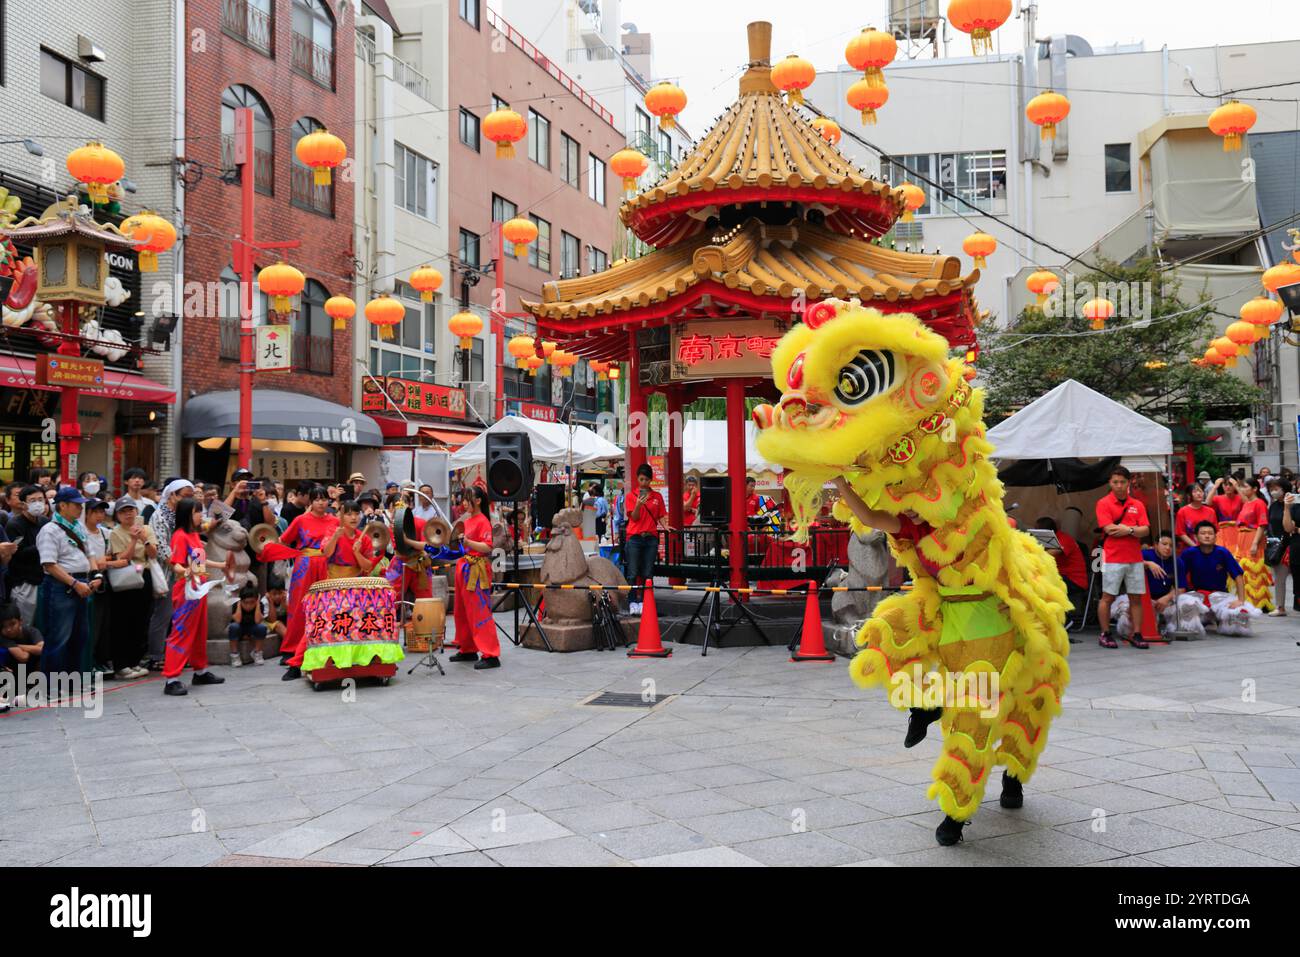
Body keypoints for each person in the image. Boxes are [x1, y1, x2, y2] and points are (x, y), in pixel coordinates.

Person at [161, 497, 228, 696]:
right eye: (197, 512)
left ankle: (200, 671)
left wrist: (222, 566)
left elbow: (200, 563)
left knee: (200, 631)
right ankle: (171, 678)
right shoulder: (180, 536)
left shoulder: (194, 536)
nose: (201, 515)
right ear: (188, 514)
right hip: (186, 591)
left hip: (199, 588)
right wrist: (186, 571)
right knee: (181, 633)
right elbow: (176, 564)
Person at [36, 487, 102, 675]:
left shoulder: (78, 527)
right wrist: (74, 583)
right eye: (76, 505)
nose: (80, 509)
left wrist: (96, 575)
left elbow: (89, 554)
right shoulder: (49, 530)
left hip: (83, 582)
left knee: (80, 636)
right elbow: (49, 564)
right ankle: (50, 685)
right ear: (62, 506)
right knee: (58, 637)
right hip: (61, 586)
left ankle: (73, 680)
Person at [279, 487, 340, 681]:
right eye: (317, 499)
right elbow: (284, 540)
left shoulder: (335, 521)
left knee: (326, 607)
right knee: (299, 607)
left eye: (324, 500)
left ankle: (323, 644)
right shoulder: (300, 520)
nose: (321, 503)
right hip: (304, 565)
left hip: (327, 565)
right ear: (310, 502)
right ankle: (290, 649)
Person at [1094, 466, 1150, 650]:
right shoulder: (1103, 503)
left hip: (1134, 558)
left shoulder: (1138, 504)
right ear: (1110, 483)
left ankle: (1137, 633)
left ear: (1128, 483)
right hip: (1112, 557)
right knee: (1107, 597)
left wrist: (1128, 530)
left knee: (1136, 598)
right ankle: (1105, 633)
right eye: (1115, 482)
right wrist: (1133, 530)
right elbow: (1109, 529)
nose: (1119, 486)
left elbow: (1146, 530)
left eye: (1122, 482)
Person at [449, 486, 500, 670]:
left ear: (478, 501)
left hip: (476, 570)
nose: (463, 503)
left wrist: (468, 542)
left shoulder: (483, 521)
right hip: (464, 568)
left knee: (479, 611)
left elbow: (487, 547)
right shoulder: (467, 521)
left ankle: (491, 654)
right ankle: (468, 648)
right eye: (462, 499)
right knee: (461, 610)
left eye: (466, 499)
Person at [146, 479, 194, 671]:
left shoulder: (183, 516)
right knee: (163, 614)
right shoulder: (159, 516)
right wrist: (176, 566)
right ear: (172, 495)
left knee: (180, 615)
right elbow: (162, 547)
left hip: (184, 570)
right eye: (185, 496)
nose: (188, 500)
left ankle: (178, 653)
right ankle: (156, 655)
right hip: (168, 571)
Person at [106, 499, 156, 679]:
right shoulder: (115, 533)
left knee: (141, 621)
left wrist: (143, 537)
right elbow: (123, 558)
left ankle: (135, 661)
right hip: (126, 578)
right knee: (123, 622)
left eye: (131, 510)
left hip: (145, 576)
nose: (128, 514)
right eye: (123, 511)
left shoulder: (147, 529)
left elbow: (153, 554)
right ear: (117, 515)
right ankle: (122, 664)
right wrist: (134, 540)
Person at [624, 463, 669, 615]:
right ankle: (632, 602)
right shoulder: (631, 496)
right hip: (635, 537)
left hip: (651, 538)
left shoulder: (657, 496)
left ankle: (644, 602)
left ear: (651, 480)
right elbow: (634, 518)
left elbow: (661, 515)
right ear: (637, 479)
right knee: (632, 572)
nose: (644, 483)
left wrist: (666, 526)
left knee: (648, 573)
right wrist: (638, 505)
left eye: (647, 480)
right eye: (642, 479)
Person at [5, 485, 48, 625]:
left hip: (44, 578)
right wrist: (43, 544)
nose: (37, 503)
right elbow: (17, 553)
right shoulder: (14, 524)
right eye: (32, 500)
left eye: (40, 499)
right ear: (23, 504)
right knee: (25, 623)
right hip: (24, 582)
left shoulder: (45, 522)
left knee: (43, 622)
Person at [1036, 517, 1086, 633]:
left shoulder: (1064, 539)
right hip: (1062, 577)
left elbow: (1050, 555)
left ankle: (1065, 620)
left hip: (1074, 580)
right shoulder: (1048, 540)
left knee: (1043, 586)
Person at [81, 498, 113, 674]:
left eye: (102, 512)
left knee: (102, 622)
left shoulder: (105, 533)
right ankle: (89, 661)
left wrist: (105, 561)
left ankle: (100, 659)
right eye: (95, 512)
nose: (99, 516)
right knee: (90, 622)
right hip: (87, 580)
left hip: (104, 580)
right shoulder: (81, 532)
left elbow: (111, 554)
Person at [1180, 520, 1246, 606]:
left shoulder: (1223, 553)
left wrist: (1241, 600)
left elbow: (1238, 575)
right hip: (1197, 595)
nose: (1207, 536)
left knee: (1238, 612)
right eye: (1203, 533)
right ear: (1196, 537)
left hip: (1220, 595)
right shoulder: (1189, 553)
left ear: (1215, 537)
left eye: (1210, 533)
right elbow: (1179, 576)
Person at [323, 501, 375, 578]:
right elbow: (326, 554)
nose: (354, 518)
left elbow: (368, 567)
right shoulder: (332, 532)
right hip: (334, 583)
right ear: (341, 516)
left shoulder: (364, 538)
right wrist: (335, 537)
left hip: (356, 582)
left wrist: (357, 553)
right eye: (349, 514)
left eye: (357, 514)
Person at [1141, 533, 1179, 631]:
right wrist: (1148, 563)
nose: (1168, 548)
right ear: (1156, 545)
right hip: (1142, 597)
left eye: (1171, 545)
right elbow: (1130, 563)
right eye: (1164, 544)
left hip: (1164, 599)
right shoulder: (1145, 554)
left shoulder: (1177, 562)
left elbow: (1181, 588)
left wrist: (1167, 598)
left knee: (1187, 603)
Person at [228, 584, 267, 667]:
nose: (248, 606)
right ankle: (234, 655)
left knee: (262, 627)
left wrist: (257, 605)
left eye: (252, 602)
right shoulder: (236, 605)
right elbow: (237, 620)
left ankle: (257, 653)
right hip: (239, 629)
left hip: (252, 628)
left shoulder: (260, 605)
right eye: (245, 603)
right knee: (233, 626)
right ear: (241, 601)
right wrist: (239, 604)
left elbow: (257, 621)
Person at [1175, 482, 1217, 550]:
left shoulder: (1211, 511)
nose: (1198, 494)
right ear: (1189, 495)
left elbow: (1215, 531)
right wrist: (1195, 547)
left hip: (1208, 548)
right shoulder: (1182, 511)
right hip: (1189, 549)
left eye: (1200, 491)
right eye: (1195, 492)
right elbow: (1181, 533)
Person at [264, 577, 288, 648]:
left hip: (285, 619)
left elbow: (292, 615)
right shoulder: (265, 601)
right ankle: (291, 644)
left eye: (280, 593)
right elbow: (272, 620)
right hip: (270, 623)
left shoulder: (287, 597)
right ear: (268, 593)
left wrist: (284, 603)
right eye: (274, 594)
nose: (277, 596)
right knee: (278, 624)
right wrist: (271, 602)